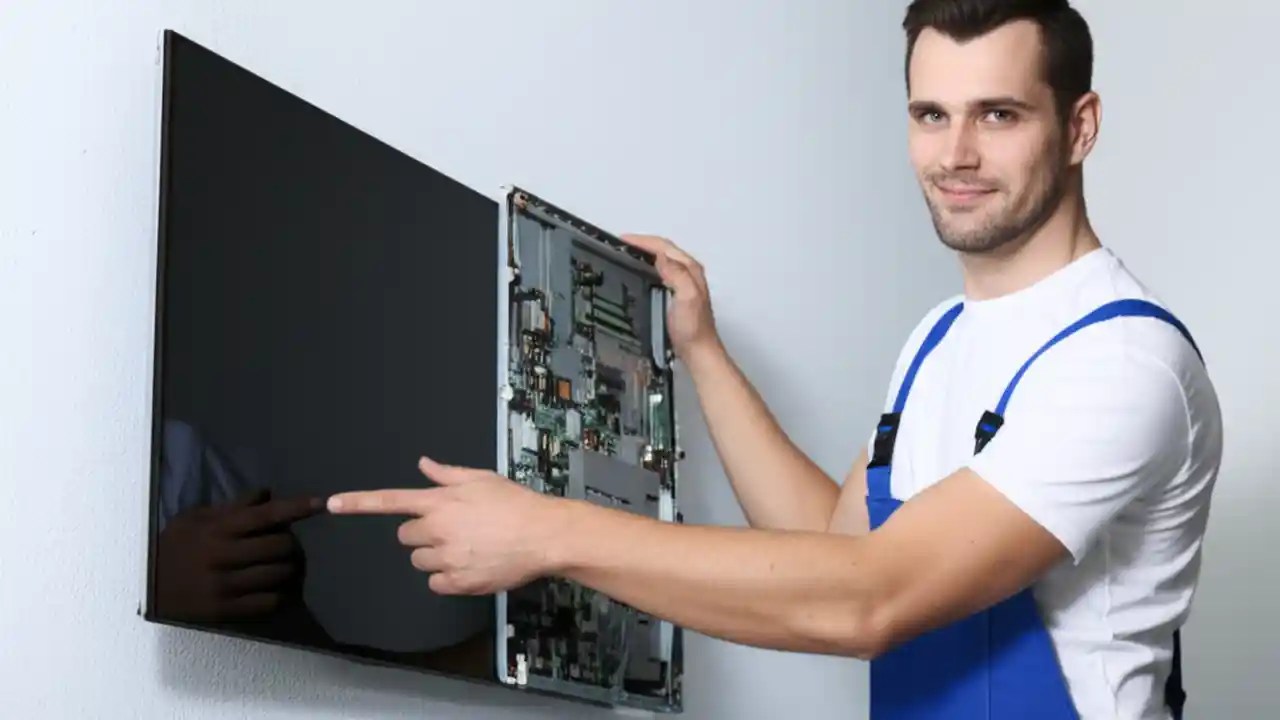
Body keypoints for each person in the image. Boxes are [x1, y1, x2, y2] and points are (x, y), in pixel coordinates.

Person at [327, 1, 1223, 717]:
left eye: (999, 114)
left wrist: (545, 531)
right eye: (930, 115)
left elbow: (869, 600)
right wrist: (703, 350)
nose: (955, 155)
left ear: (1080, 126)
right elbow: (829, 545)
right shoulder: (938, 340)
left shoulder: (1123, 363)